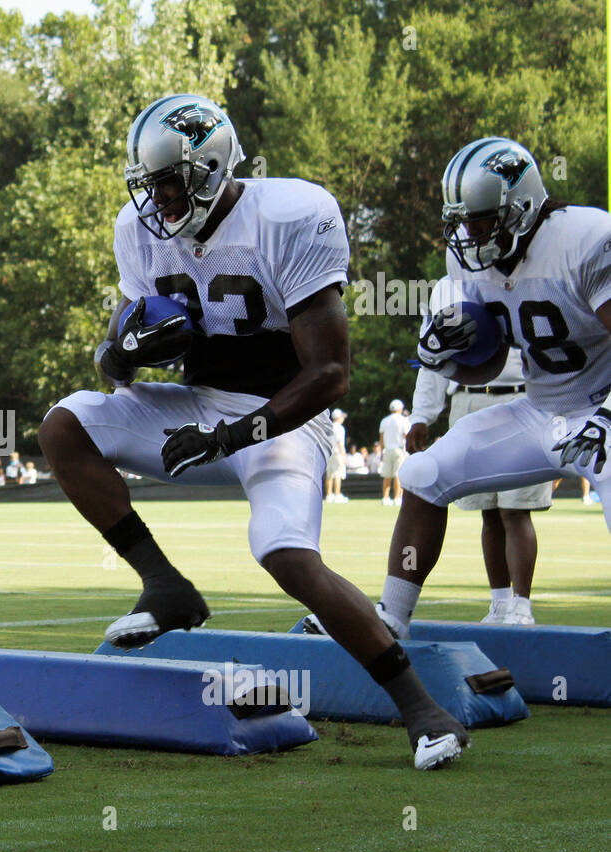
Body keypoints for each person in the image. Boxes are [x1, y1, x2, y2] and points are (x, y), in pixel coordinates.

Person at [37, 94, 468, 770]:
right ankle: (165, 585)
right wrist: (120, 349)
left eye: (169, 182)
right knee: (65, 425)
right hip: (199, 404)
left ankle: (419, 706)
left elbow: (329, 373)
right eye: (149, 184)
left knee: (285, 553)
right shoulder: (139, 228)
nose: (159, 199)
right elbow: (113, 361)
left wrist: (232, 436)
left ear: (210, 170)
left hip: (283, 416)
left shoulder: (290, 215)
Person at [374, 137, 611, 647]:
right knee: (423, 472)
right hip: (541, 408)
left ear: (520, 209)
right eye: (460, 220)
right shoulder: (471, 261)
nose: (467, 233)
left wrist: (608, 417)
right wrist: (447, 354)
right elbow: (481, 365)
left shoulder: (589, 238)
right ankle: (390, 621)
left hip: (603, 406)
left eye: (479, 220)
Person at [409, 345, 549, 624]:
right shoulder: (445, 301)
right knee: (490, 512)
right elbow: (432, 357)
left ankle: (522, 606)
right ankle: (500, 603)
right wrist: (421, 416)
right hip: (467, 400)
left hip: (523, 398)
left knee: (516, 509)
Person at [378, 399, 410, 505]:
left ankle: (385, 498)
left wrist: (381, 451)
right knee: (397, 475)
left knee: (387, 475)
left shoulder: (384, 420)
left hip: (387, 450)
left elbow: (381, 438)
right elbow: (406, 435)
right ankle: (397, 498)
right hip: (399, 450)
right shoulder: (403, 420)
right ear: (400, 409)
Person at [325, 409, 348, 502]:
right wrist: (344, 456)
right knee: (338, 474)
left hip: (329, 453)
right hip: (338, 453)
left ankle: (329, 495)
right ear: (338, 417)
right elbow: (340, 443)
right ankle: (337, 495)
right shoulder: (340, 428)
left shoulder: (328, 426)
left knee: (329, 475)